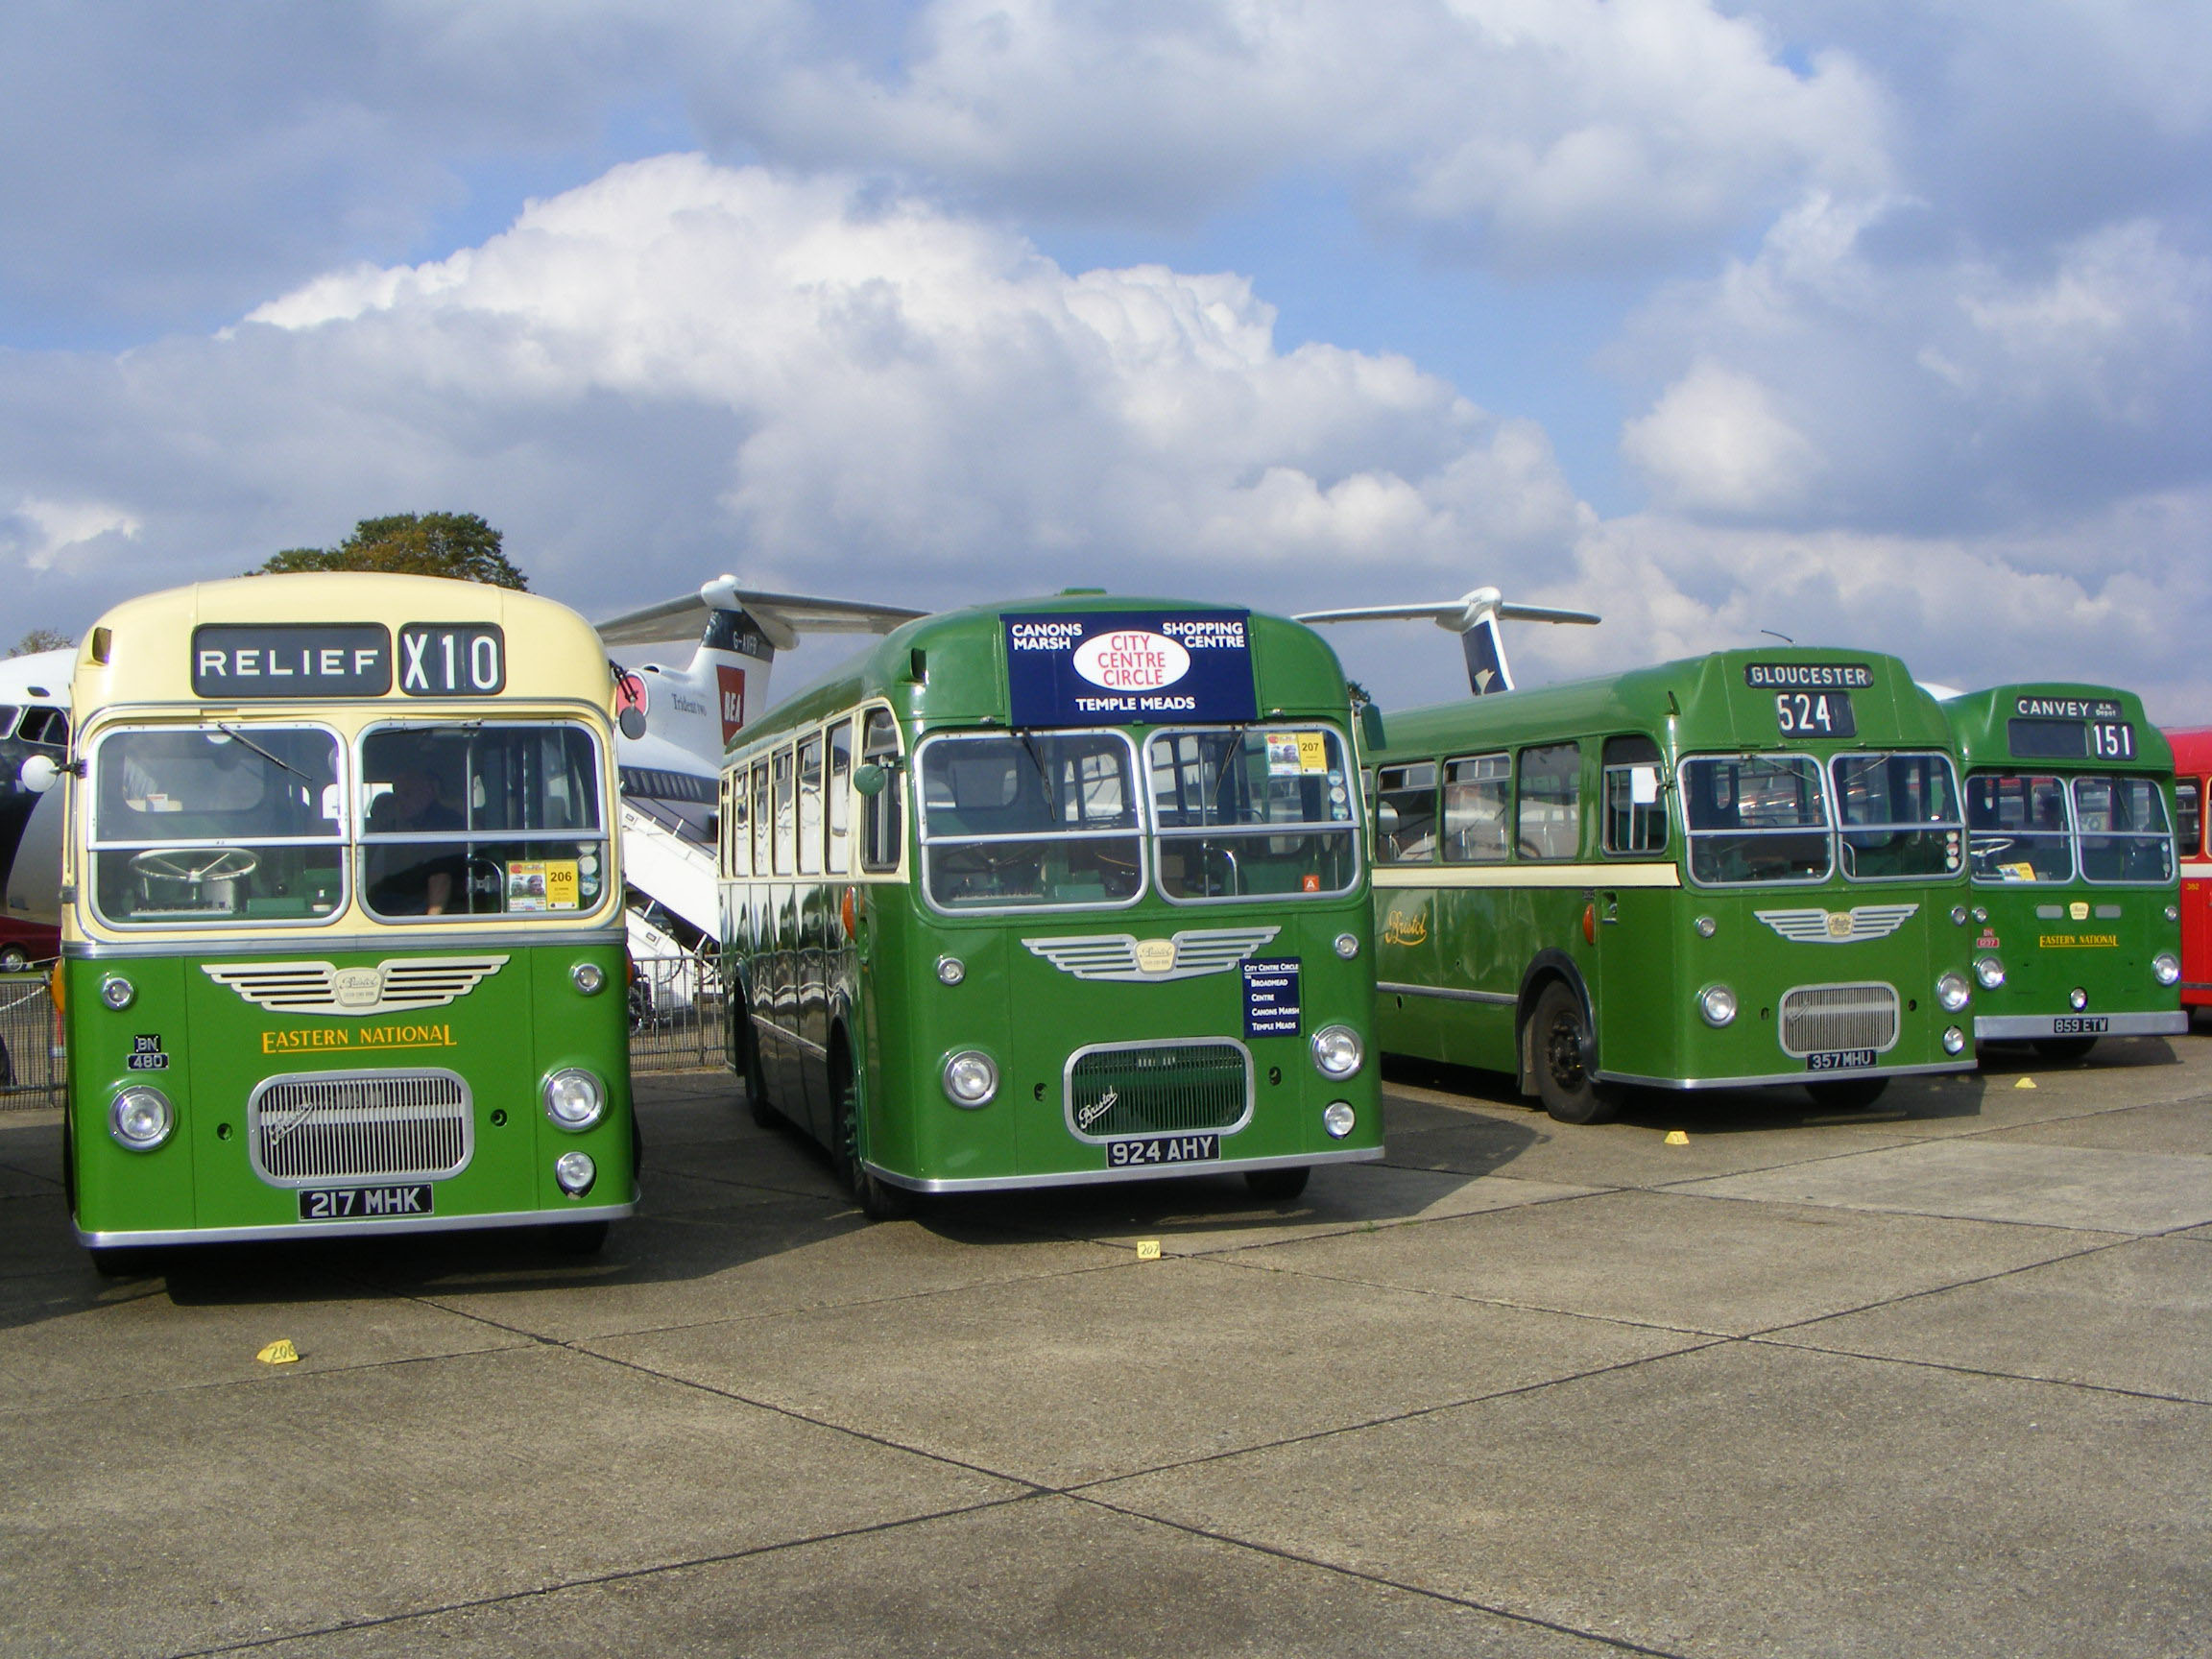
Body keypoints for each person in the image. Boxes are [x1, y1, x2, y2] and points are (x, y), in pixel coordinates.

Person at [367, 767, 464, 915]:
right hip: (401, 895)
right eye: (397, 796)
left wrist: (431, 921)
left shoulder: (442, 822)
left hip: (419, 902)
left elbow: (440, 876)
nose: (400, 802)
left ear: (427, 793)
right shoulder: (408, 823)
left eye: (407, 795)